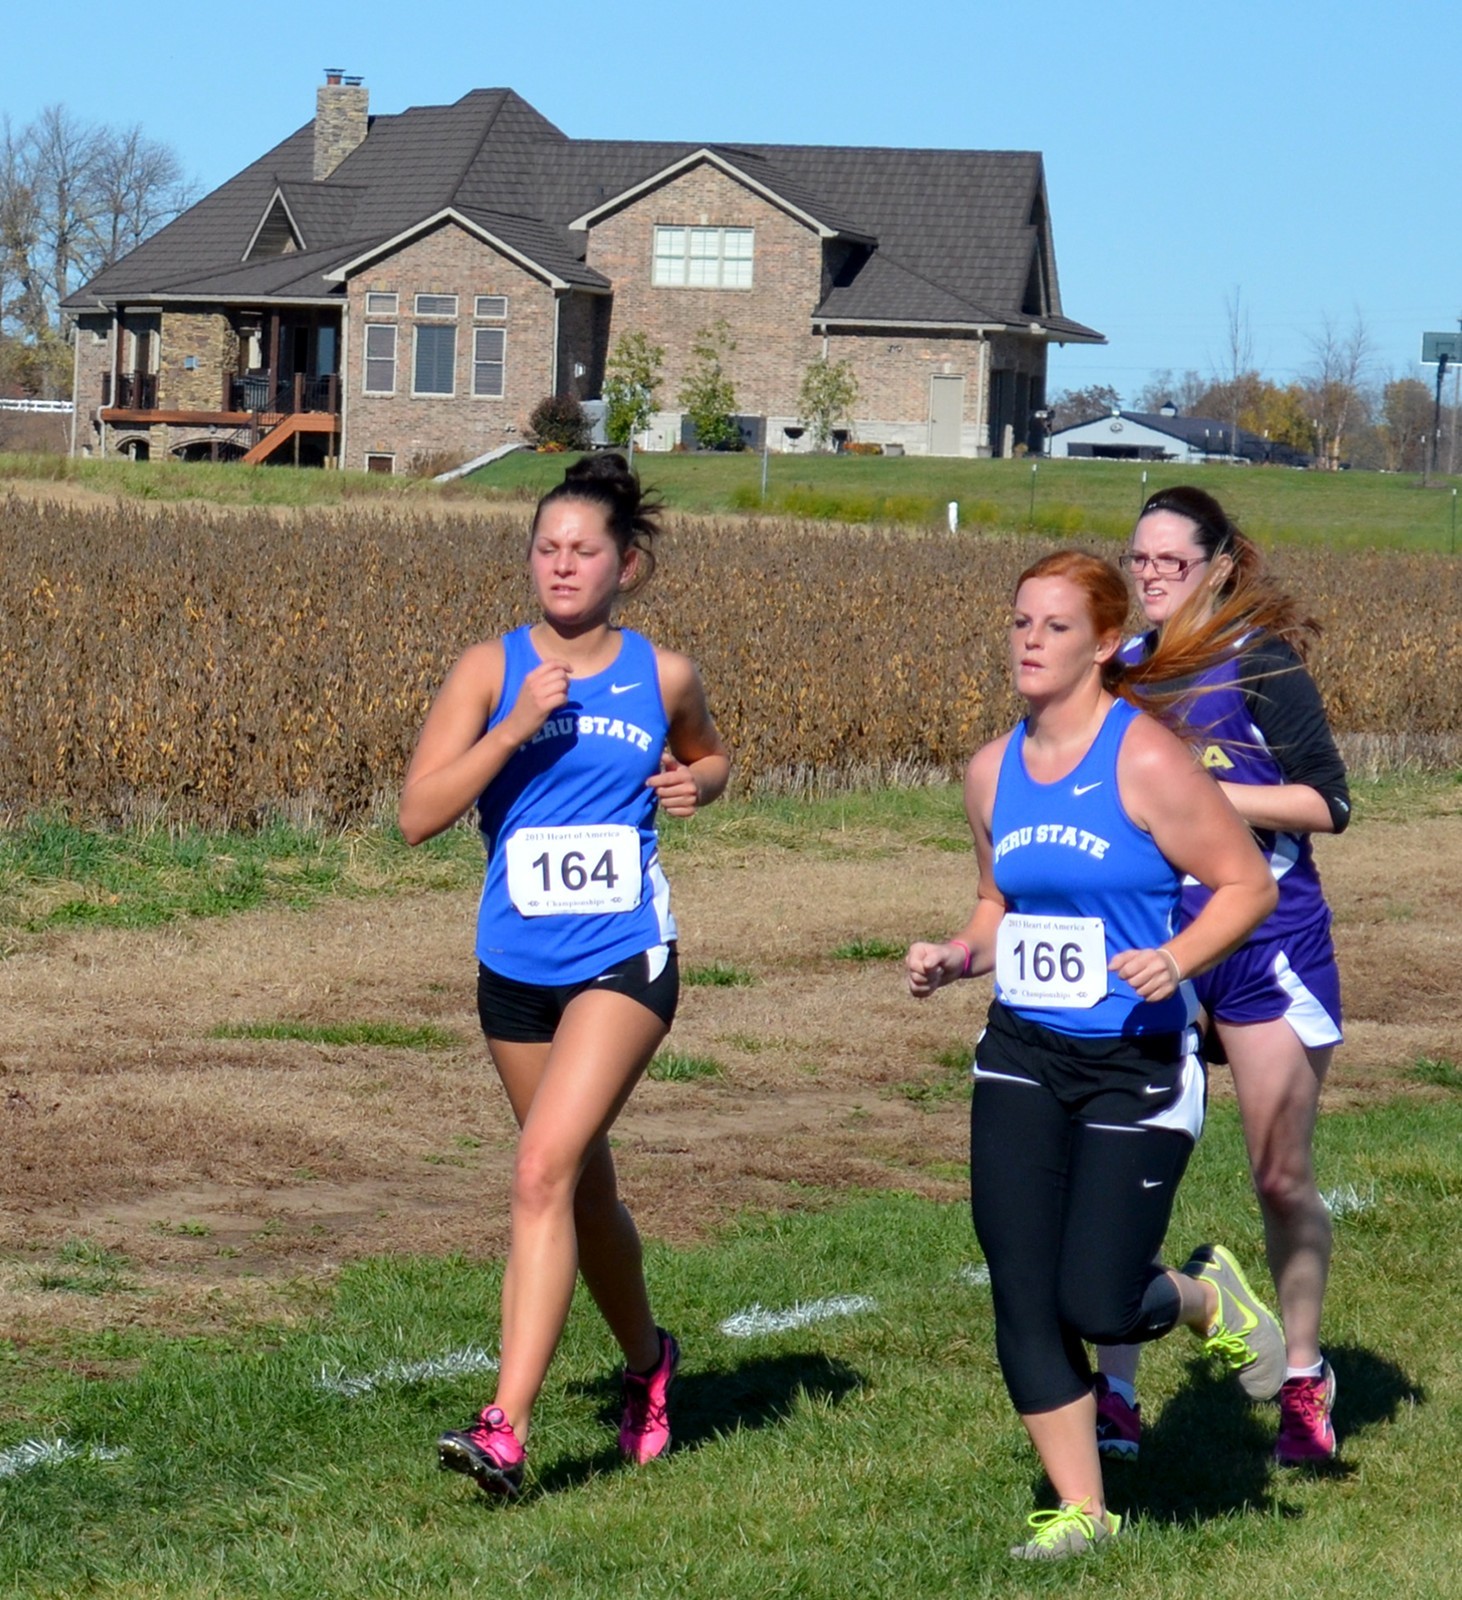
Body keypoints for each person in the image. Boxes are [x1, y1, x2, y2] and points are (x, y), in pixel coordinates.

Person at [905, 549, 1282, 1561]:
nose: (1029, 640)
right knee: (1021, 1286)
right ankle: (1082, 1507)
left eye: (1055, 626)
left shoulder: (1146, 760)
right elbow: (998, 904)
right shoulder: (988, 769)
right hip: (1022, 1051)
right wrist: (954, 954)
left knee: (1096, 1297)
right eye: (1020, 621)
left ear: (1104, 644)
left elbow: (1246, 885)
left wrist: (1174, 956)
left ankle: (1210, 1298)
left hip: (1136, 1059)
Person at [399, 452, 730, 1497]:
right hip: (514, 966)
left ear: (626, 565)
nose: (561, 563)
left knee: (540, 1170)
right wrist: (511, 725)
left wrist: (697, 783)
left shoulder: (661, 673)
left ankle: (505, 1426)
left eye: (583, 549)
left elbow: (711, 755)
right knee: (581, 1188)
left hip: (625, 958)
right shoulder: (487, 670)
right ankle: (649, 1362)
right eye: (546, 547)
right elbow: (416, 817)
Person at [1094, 486, 1349, 1469]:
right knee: (1116, 1176)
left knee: (1280, 1176)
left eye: (1172, 562)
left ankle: (1298, 1377)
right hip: (1151, 946)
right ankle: (1114, 1393)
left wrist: (1201, 798)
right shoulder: (1117, 671)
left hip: (1266, 942)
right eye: (1140, 561)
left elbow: (1326, 802)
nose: (1152, 577)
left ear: (1218, 566)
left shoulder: (1260, 662)